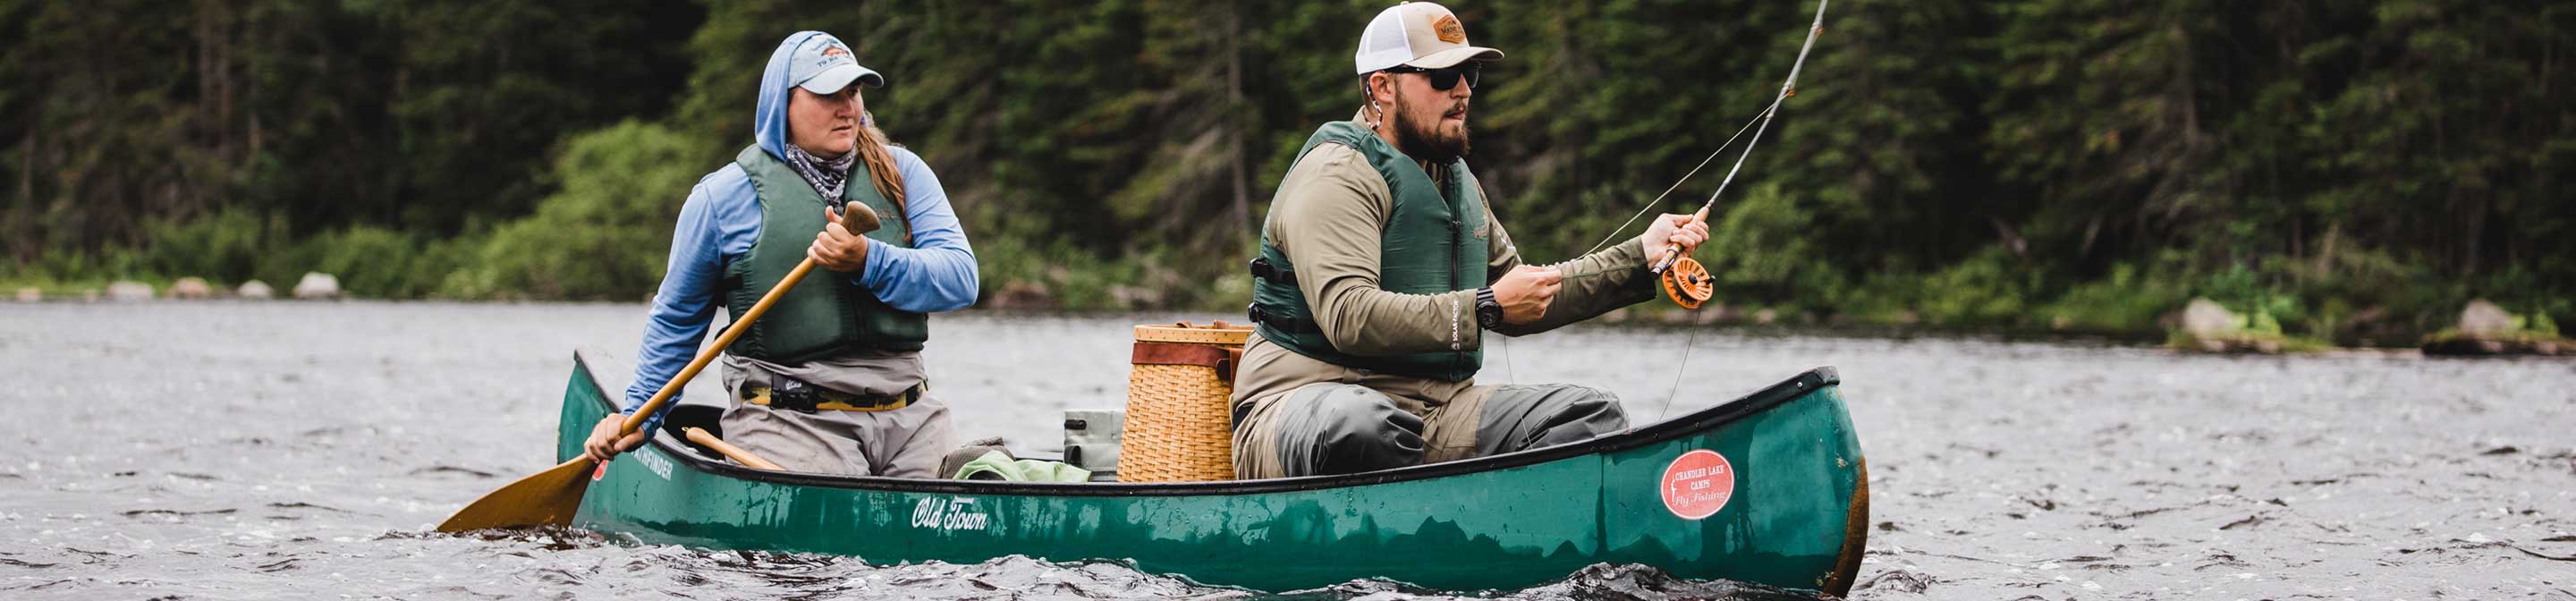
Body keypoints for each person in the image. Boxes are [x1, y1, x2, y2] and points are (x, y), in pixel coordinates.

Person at [1233, 3, 1710, 478]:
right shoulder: (1336, 175)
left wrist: (1642, 256)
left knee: (1588, 417)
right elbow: (1348, 316)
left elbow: (1524, 295)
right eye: (1442, 77)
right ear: (1382, 87)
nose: (1462, 90)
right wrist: (1485, 307)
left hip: (1435, 411)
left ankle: (1512, 544)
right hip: (1303, 406)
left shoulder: (1454, 178)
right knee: (1359, 428)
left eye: (1469, 74)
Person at [581, 31, 979, 478]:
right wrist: (642, 415)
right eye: (828, 94)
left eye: (853, 92)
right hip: (788, 416)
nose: (847, 107)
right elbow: (678, 316)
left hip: (909, 413)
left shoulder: (904, 173)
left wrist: (868, 260)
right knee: (830, 547)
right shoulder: (720, 199)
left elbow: (961, 278)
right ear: (782, 104)